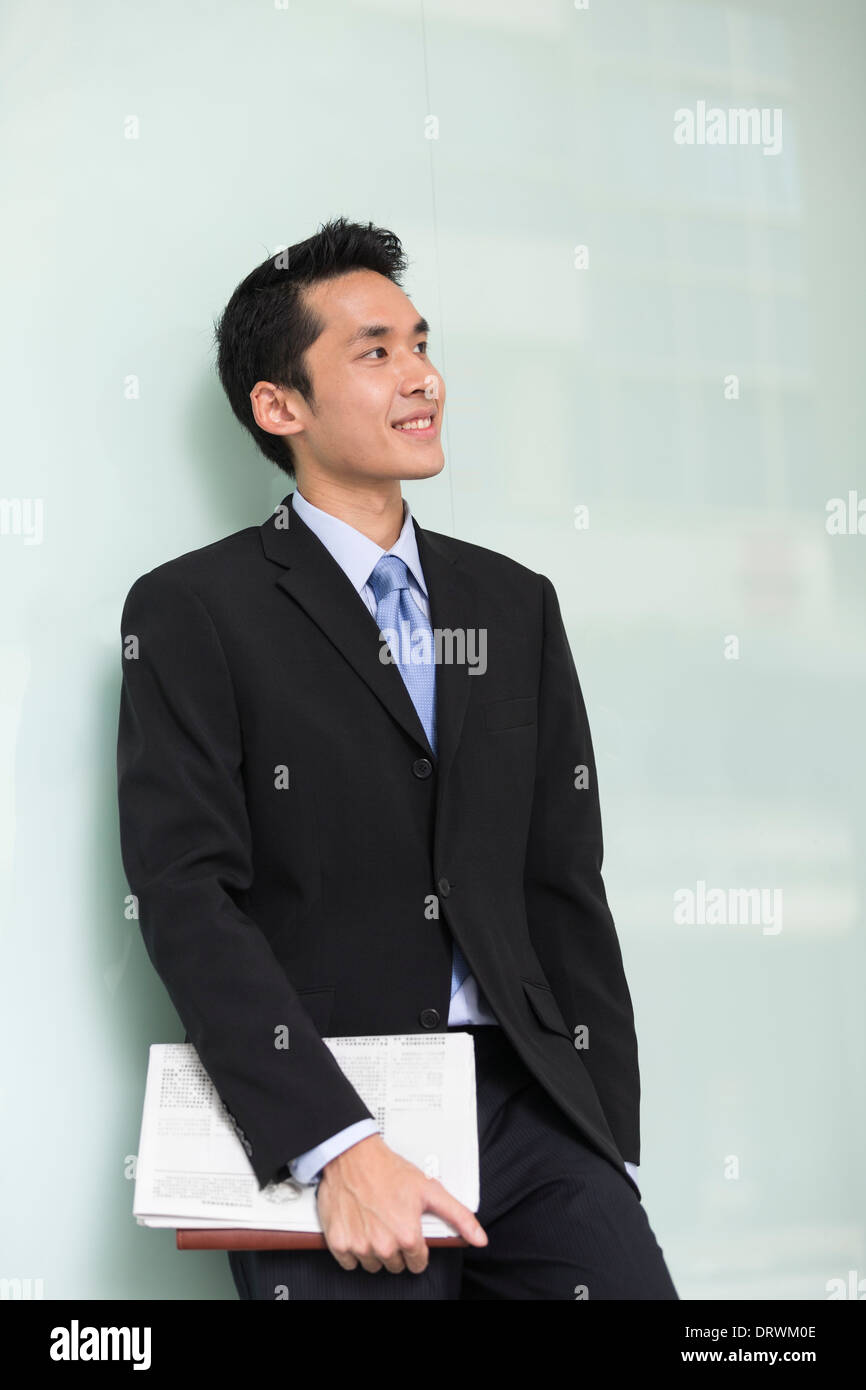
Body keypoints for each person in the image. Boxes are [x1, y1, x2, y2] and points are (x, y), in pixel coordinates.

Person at [116, 217, 678, 1300]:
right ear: (278, 407)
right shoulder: (194, 609)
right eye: (373, 352)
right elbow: (186, 896)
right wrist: (333, 1144)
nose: (421, 376)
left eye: (420, 343)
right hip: (332, 1107)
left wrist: (603, 1136)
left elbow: (560, 878)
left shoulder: (511, 604)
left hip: (527, 1106)